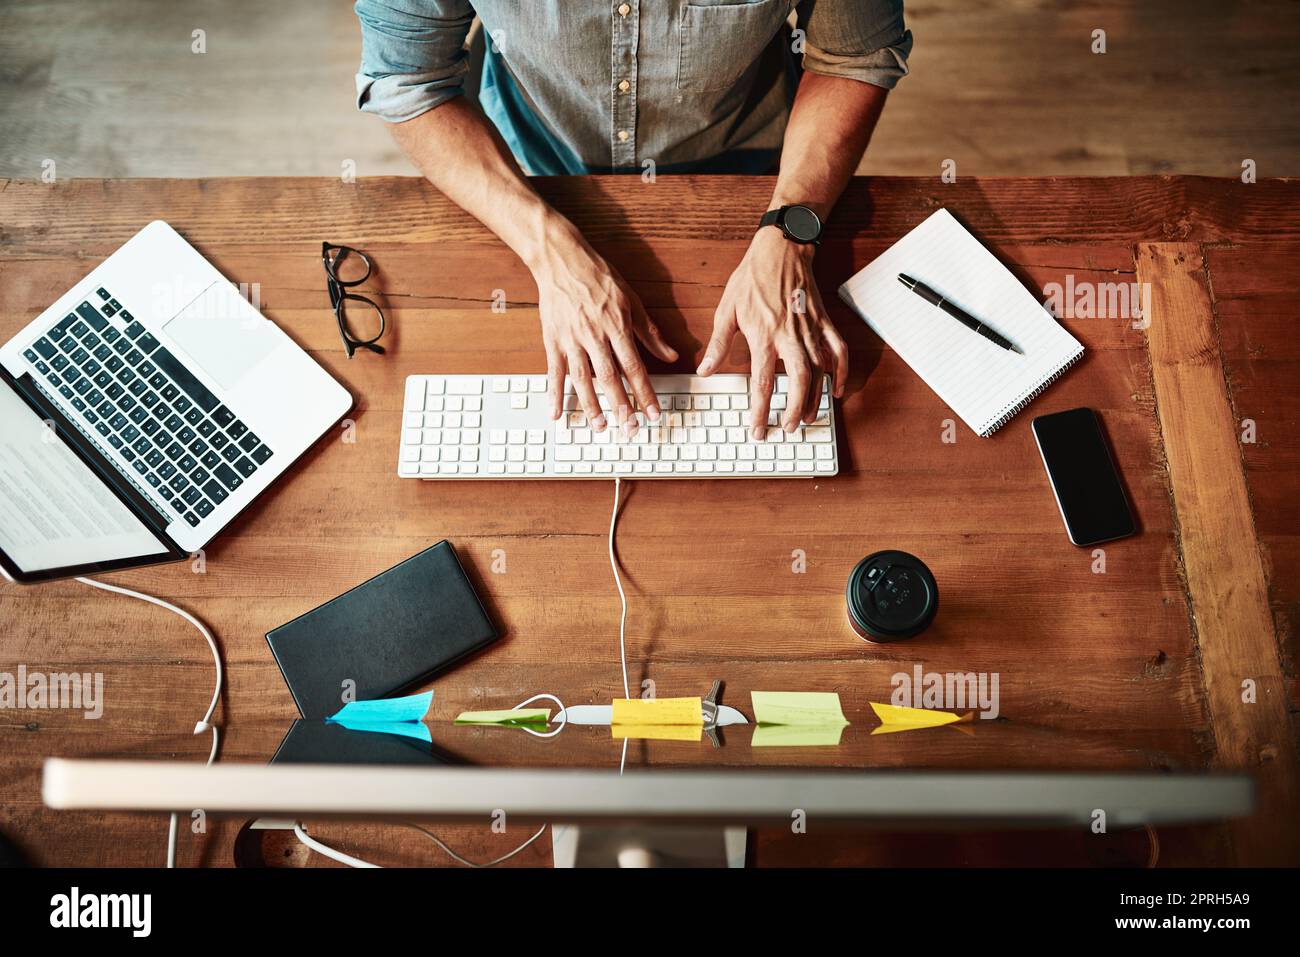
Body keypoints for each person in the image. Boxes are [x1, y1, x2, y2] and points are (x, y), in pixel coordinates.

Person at [353, 1, 911, 438]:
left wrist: (792, 230)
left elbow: (853, 56)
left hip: (756, 174)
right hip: (534, 167)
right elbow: (408, 78)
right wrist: (547, 249)